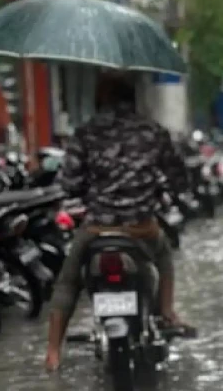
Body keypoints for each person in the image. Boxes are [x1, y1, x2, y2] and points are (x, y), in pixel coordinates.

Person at [45, 71, 194, 372]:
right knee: (164, 256)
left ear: (100, 97)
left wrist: (91, 189)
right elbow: (179, 177)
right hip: (141, 227)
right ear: (133, 96)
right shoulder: (153, 132)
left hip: (98, 228)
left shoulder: (85, 133)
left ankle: (52, 352)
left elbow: (69, 184)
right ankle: (167, 312)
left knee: (68, 281)